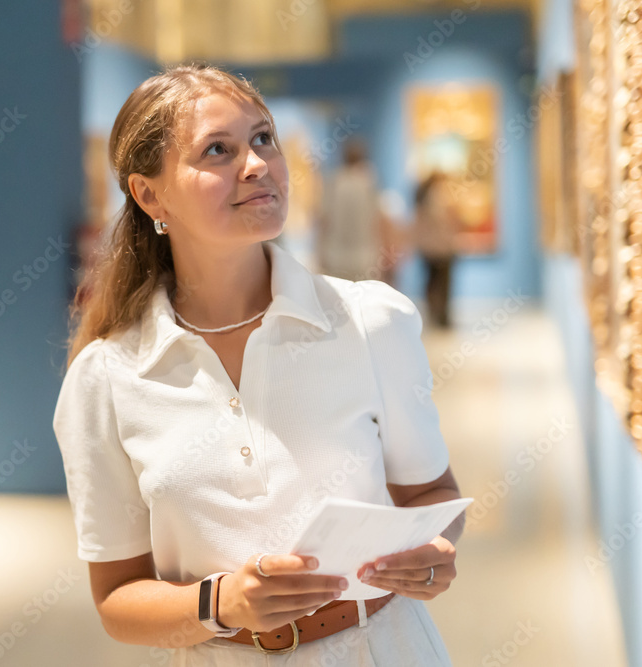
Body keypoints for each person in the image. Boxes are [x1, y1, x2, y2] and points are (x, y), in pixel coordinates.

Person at [53, 63, 464, 666]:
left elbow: (432, 493)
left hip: (385, 647)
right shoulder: (107, 378)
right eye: (217, 150)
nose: (256, 164)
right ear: (150, 195)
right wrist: (222, 604)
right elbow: (117, 599)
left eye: (263, 138)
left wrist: (434, 554)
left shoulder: (369, 322)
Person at [315, 138, 400, 283]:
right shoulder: (369, 182)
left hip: (336, 255)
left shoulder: (334, 182)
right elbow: (378, 220)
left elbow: (324, 220)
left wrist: (320, 252)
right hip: (364, 257)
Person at [413, 172, 460, 328]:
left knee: (432, 282)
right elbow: (447, 221)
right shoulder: (439, 196)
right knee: (442, 284)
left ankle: (435, 314)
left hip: (429, 249)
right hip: (441, 249)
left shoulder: (422, 199)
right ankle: (441, 316)